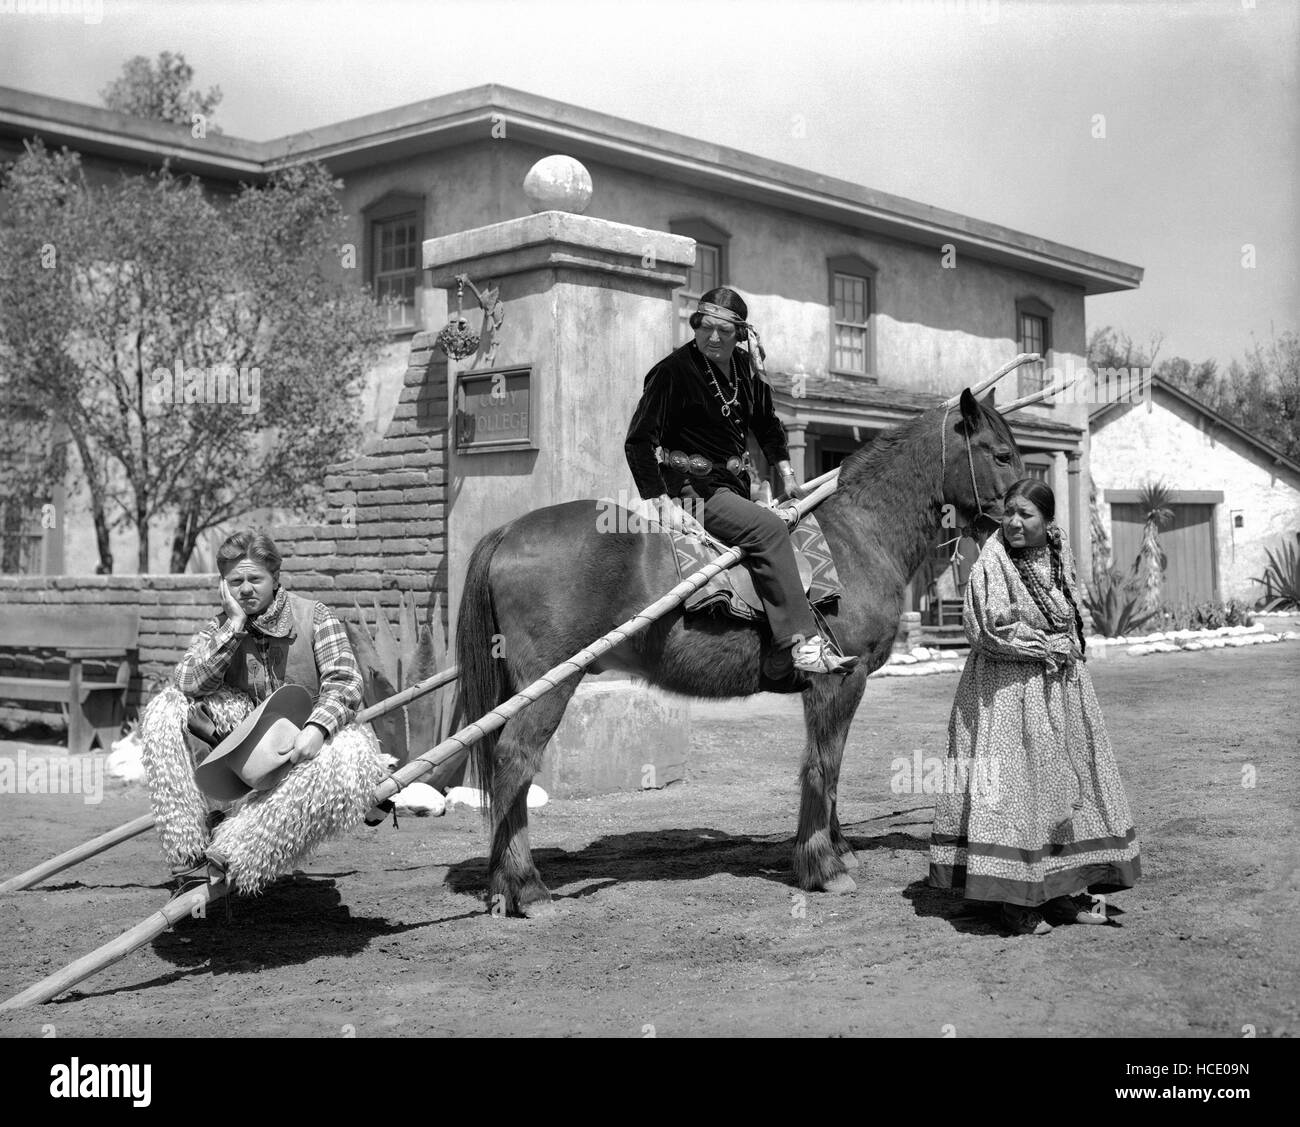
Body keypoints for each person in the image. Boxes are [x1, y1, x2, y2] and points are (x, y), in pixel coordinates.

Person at [927, 479, 1141, 934]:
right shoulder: (993, 560)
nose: (1014, 522)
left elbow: (1071, 613)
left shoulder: (1060, 555)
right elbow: (986, 625)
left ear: (1048, 521)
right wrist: (1044, 644)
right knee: (1018, 791)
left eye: (1026, 514)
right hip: (1007, 692)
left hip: (1060, 689)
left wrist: (1062, 647)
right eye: (1010, 512)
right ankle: (1014, 900)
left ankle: (1061, 892)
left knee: (1063, 785)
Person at [624, 286, 857, 678]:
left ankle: (769, 654)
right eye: (705, 327)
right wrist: (659, 499)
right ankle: (801, 644)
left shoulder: (747, 369)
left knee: (796, 521)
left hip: (737, 487)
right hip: (693, 491)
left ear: (741, 334)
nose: (713, 337)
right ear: (696, 325)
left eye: (724, 331)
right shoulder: (672, 372)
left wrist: (788, 477)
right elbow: (638, 440)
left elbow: (767, 424)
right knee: (768, 530)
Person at [164, 529, 364, 888]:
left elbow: (346, 681)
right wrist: (235, 627)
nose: (245, 589)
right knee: (171, 707)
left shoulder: (314, 617)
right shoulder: (222, 626)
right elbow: (188, 682)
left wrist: (317, 729)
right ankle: (197, 836)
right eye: (234, 581)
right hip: (250, 752)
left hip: (312, 744)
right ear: (223, 586)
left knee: (346, 753)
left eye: (255, 578)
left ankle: (237, 846)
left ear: (276, 578)